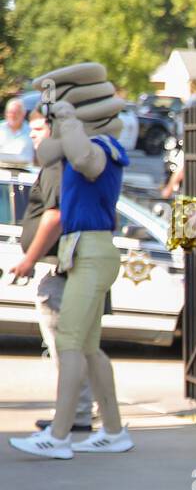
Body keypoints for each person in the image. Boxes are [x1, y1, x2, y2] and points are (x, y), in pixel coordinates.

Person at [10, 63, 133, 459]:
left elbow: (85, 162)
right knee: (91, 347)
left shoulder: (106, 148)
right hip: (84, 252)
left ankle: (59, 436)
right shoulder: (80, 139)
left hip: (94, 249)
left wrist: (67, 119)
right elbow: (46, 153)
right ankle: (114, 431)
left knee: (69, 342)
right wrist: (55, 112)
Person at [10, 108, 95, 433]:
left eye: (37, 129)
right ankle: (75, 411)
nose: (32, 135)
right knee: (76, 346)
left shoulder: (57, 166)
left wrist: (29, 259)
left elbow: (55, 216)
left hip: (62, 270)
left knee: (68, 347)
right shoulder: (58, 165)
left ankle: (75, 414)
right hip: (63, 268)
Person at [0, 97, 33, 166]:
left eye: (17, 112)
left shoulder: (32, 131)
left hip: (26, 172)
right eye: (10, 112)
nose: (13, 115)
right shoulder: (1, 128)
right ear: (6, 113)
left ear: (23, 114)